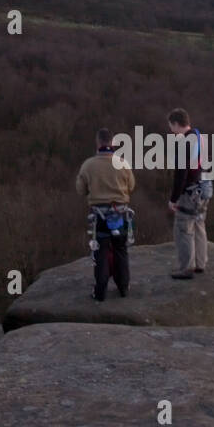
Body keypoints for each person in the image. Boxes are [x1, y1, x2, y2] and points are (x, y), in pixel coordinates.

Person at [76, 127, 136, 301]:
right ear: (112, 143)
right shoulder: (123, 163)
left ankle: (100, 291)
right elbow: (131, 186)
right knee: (120, 250)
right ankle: (123, 287)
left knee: (100, 251)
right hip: (121, 213)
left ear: (98, 142)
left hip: (99, 216)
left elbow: (80, 190)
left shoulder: (88, 165)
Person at [167, 107, 208, 280]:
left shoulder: (184, 142)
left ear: (176, 124)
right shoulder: (199, 136)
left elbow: (181, 173)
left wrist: (173, 199)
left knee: (183, 229)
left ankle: (186, 268)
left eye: (171, 126)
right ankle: (200, 263)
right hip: (203, 188)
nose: (170, 129)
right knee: (199, 225)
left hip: (189, 192)